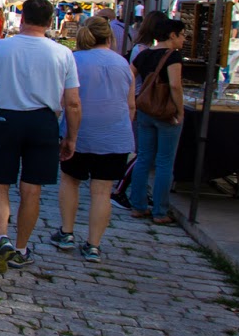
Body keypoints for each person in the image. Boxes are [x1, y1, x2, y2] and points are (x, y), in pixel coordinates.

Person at [0, 0, 80, 273]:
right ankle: (20, 247)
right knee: (32, 189)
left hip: (8, 117)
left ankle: (1, 237)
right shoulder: (62, 54)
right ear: (49, 22)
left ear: (22, 19)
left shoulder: (1, 49)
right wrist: (71, 137)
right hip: (44, 121)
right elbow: (73, 102)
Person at [52, 18, 134, 261]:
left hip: (79, 131)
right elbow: (131, 106)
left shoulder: (75, 61)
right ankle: (93, 244)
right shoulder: (123, 63)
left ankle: (66, 232)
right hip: (114, 134)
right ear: (110, 37)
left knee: (70, 181)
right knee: (102, 191)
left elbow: (65, 100)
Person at [130, 17, 186, 224]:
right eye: (182, 35)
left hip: (145, 110)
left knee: (143, 157)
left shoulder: (144, 54)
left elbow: (129, 76)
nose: (183, 39)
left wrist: (133, 101)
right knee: (164, 161)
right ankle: (160, 211)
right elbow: (175, 86)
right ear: (172, 35)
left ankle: (138, 205)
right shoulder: (173, 57)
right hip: (165, 112)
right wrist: (180, 111)